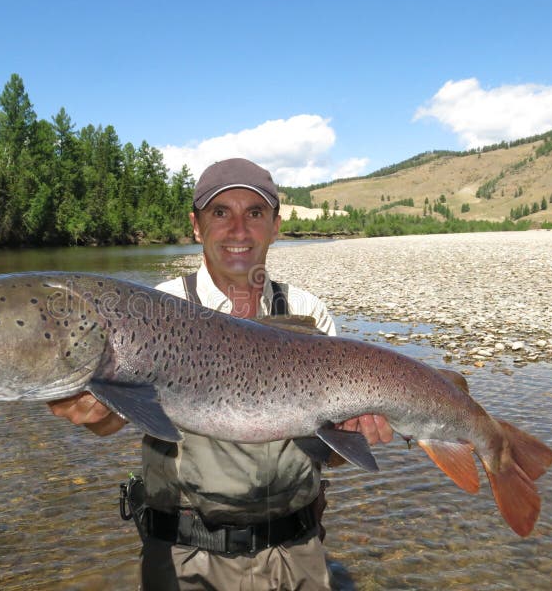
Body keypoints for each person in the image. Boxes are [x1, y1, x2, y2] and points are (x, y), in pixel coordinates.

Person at [49, 158, 393, 590]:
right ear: (196, 226)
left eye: (254, 213)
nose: (238, 230)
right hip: (187, 557)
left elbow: (332, 453)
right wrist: (94, 411)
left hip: (297, 551)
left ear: (275, 227)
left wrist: (356, 433)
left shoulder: (309, 314)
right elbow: (111, 419)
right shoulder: (157, 309)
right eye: (220, 213)